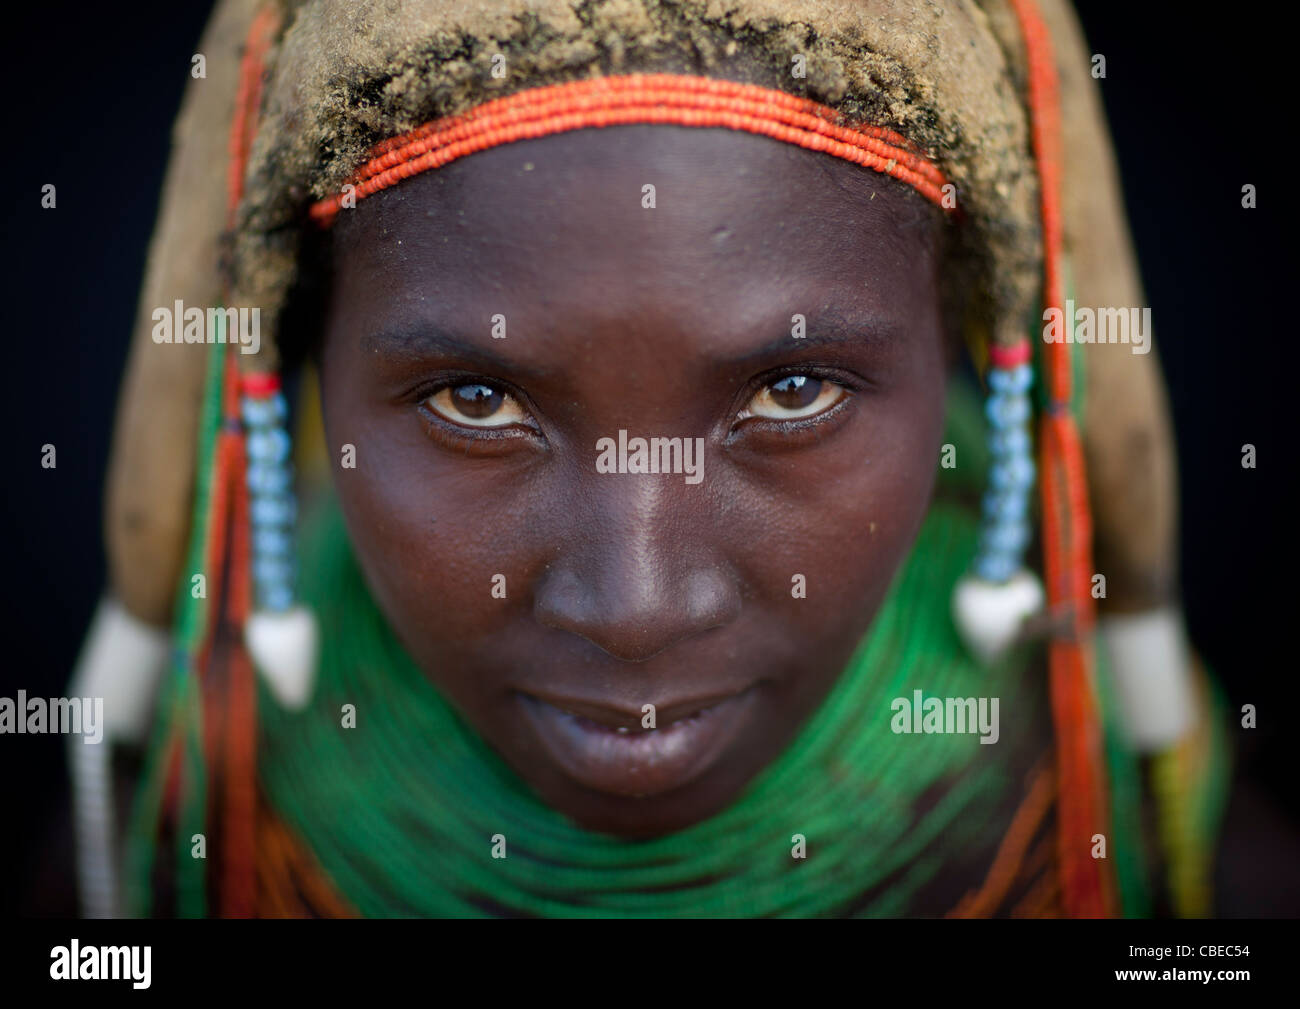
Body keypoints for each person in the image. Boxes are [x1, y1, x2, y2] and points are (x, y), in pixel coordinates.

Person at [70, 0, 1228, 917]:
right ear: (300, 366)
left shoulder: (1148, 843)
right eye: (474, 400)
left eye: (791, 389)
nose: (634, 608)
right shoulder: (174, 836)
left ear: (964, 354)